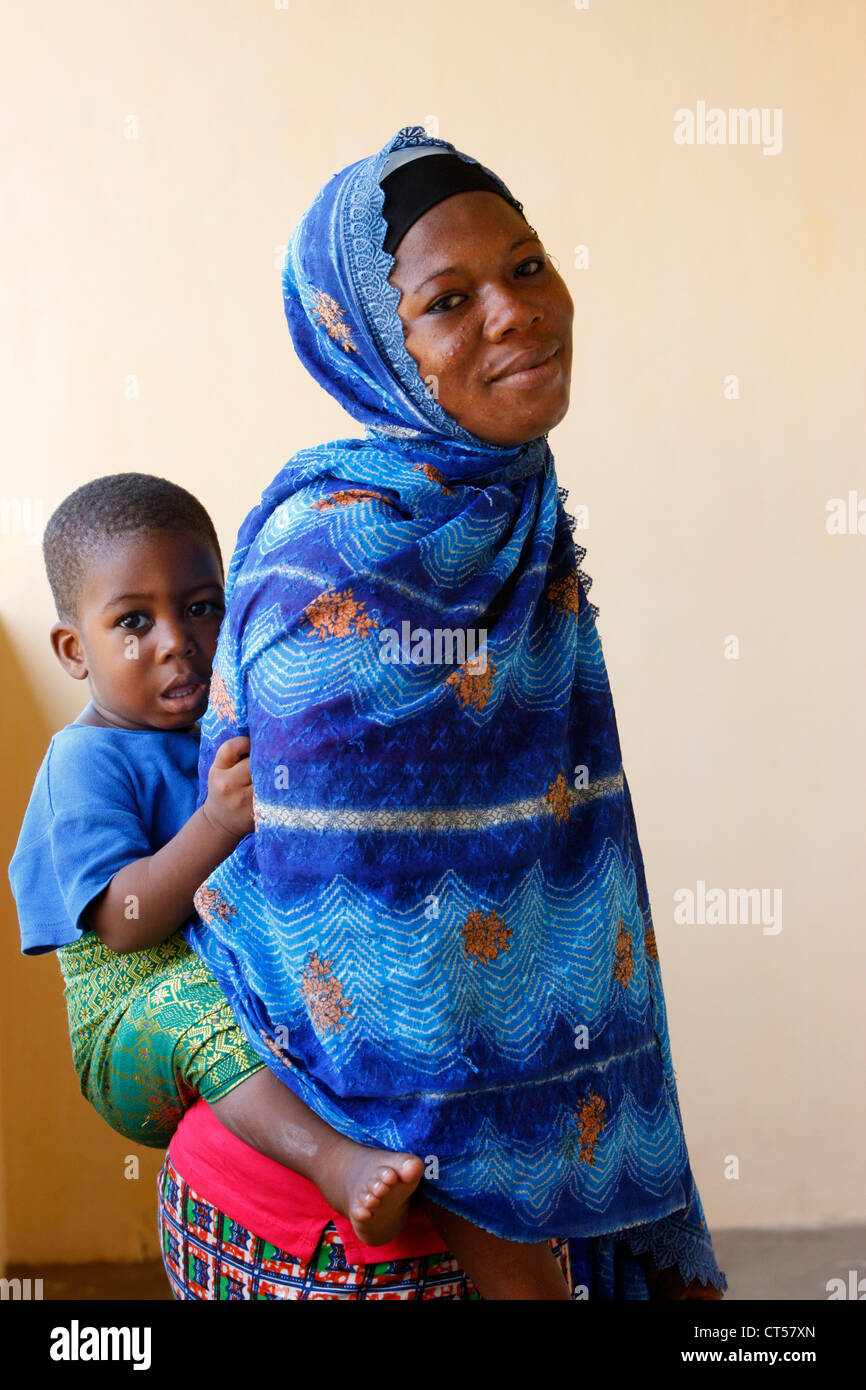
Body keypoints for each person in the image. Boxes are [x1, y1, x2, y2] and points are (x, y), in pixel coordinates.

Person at [170, 125, 727, 1299]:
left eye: (526, 267)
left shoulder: (513, 510)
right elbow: (373, 949)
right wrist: (518, 1246)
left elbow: (562, 840)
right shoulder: (329, 560)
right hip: (361, 1079)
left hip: (543, 1042)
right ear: (366, 341)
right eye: (446, 300)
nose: (515, 312)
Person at [7, 473, 429, 1247]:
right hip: (129, 1017)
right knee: (202, 1004)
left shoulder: (226, 725)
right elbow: (125, 922)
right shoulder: (86, 762)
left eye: (202, 607)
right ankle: (334, 1164)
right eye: (134, 620)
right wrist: (215, 822)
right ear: (75, 650)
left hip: (226, 969)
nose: (177, 641)